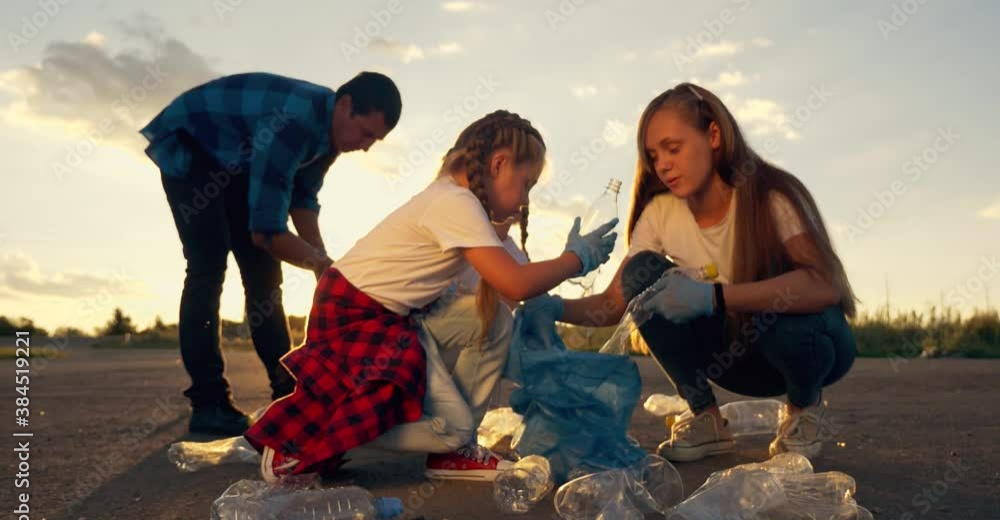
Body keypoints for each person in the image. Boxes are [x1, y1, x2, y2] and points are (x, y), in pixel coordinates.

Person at [244, 110, 619, 482]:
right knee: (450, 427)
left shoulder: (457, 202)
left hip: (388, 317)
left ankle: (453, 453)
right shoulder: (455, 202)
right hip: (355, 316)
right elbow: (515, 284)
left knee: (492, 319)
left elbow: (512, 292)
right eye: (527, 184)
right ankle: (303, 441)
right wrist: (575, 259)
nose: (525, 199)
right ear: (499, 164)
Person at [522, 83, 858, 461]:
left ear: (713, 136)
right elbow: (616, 302)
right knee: (642, 272)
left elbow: (824, 285)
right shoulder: (661, 213)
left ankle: (802, 412)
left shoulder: (770, 197)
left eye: (673, 148)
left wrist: (714, 296)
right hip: (733, 363)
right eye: (654, 156)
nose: (662, 165)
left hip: (807, 351)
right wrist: (551, 306)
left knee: (794, 315)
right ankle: (707, 419)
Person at [141, 71, 401, 435]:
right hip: (195, 142)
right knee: (207, 265)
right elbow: (266, 232)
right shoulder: (294, 122)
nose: (367, 147)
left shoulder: (330, 138)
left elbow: (302, 199)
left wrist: (324, 265)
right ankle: (209, 403)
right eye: (366, 133)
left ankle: (289, 394)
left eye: (375, 140)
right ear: (345, 105)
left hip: (239, 162)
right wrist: (322, 265)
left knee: (265, 280)